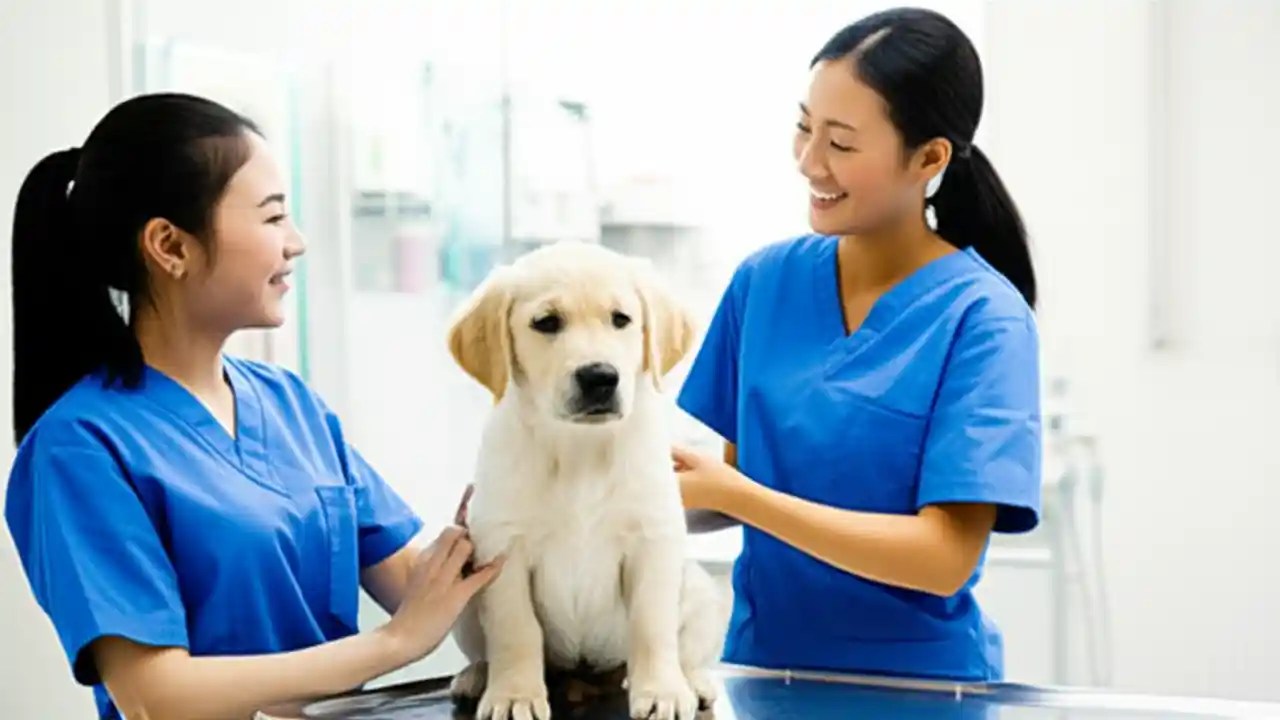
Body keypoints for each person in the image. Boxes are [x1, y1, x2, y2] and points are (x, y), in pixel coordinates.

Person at [5, 92, 501, 720]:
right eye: (272, 219)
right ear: (170, 246)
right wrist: (393, 645)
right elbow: (157, 696)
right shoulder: (79, 446)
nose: (295, 243)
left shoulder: (290, 405)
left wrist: (541, 505)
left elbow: (418, 585)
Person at [671, 8, 1042, 683]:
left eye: (841, 143)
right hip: (764, 673)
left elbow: (944, 555)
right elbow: (724, 486)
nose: (810, 161)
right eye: (804, 127)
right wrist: (593, 497)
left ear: (928, 157)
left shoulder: (983, 319)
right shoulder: (764, 283)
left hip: (919, 688)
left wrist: (743, 495)